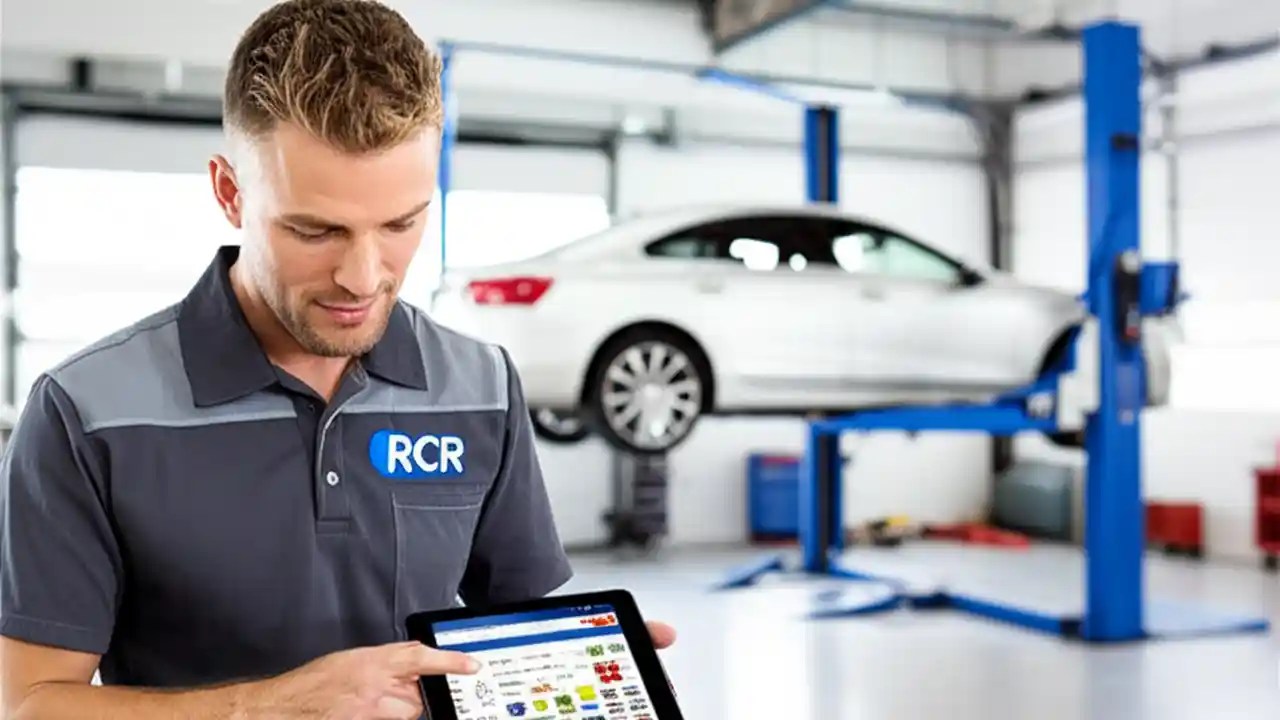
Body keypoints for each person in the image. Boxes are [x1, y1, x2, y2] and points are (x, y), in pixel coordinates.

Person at [0, 1, 674, 717]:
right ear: (230, 193)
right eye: (315, 231)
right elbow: (31, 704)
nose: (363, 276)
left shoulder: (481, 387)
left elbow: (514, 647)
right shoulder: (86, 412)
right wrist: (270, 707)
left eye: (401, 223)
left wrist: (576, 685)